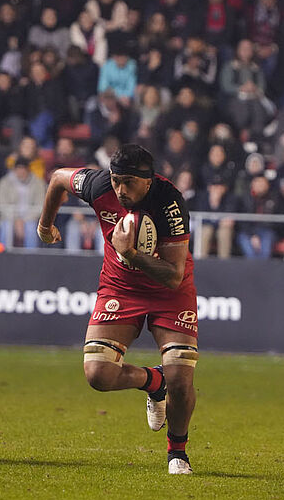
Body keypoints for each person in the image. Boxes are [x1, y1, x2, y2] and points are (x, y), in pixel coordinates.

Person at [37, 144, 199, 475]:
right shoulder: (98, 185)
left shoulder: (169, 203)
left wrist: (133, 254)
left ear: (148, 180)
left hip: (170, 291)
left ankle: (177, 452)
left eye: (128, 182)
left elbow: (174, 275)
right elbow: (56, 179)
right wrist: (44, 225)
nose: (120, 191)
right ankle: (154, 382)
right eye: (115, 181)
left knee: (182, 379)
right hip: (120, 287)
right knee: (98, 374)